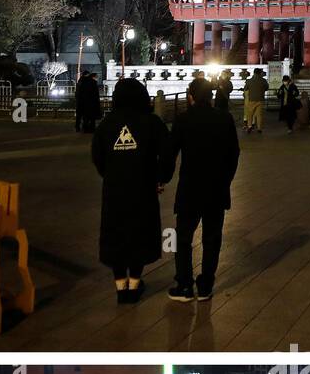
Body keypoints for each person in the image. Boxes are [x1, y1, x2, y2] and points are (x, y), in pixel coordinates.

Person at [91, 78, 169, 304]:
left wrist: (110, 173)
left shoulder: (107, 124)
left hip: (114, 190)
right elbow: (166, 152)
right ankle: (134, 283)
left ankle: (120, 286)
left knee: (116, 234)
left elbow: (97, 156)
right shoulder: (152, 122)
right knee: (139, 234)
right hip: (143, 188)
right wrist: (160, 178)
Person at [165, 75, 240, 303]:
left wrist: (162, 178)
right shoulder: (224, 119)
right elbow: (234, 154)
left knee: (183, 237)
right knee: (212, 238)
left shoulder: (183, 119)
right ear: (211, 96)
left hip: (190, 188)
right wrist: (226, 180)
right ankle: (206, 285)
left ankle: (184, 285)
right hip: (216, 189)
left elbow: (170, 153)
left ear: (190, 96)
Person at [75, 69, 102, 134]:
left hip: (81, 102)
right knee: (89, 116)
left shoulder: (80, 82)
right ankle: (90, 128)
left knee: (82, 116)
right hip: (90, 102)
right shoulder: (92, 83)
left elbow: (77, 93)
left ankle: (80, 128)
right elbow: (95, 94)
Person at [245, 68, 267, 134]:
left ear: (254, 73)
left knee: (250, 114)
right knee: (259, 114)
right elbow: (266, 88)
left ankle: (249, 126)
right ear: (260, 73)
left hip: (251, 99)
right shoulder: (263, 80)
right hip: (260, 99)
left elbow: (245, 88)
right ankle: (259, 128)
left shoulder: (249, 81)